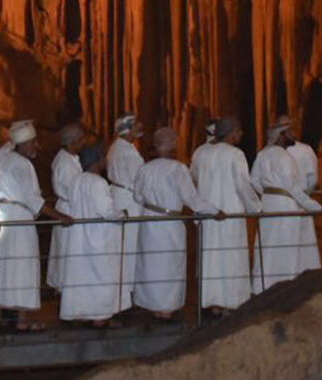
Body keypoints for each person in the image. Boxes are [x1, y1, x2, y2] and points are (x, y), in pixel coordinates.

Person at [133, 127, 218, 319]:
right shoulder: (178, 169)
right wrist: (215, 211)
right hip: (170, 223)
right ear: (173, 145)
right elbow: (192, 199)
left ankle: (151, 305)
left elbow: (137, 196)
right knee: (169, 265)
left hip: (148, 222)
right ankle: (166, 310)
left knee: (150, 264)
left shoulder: (145, 168)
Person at [0, 121, 69, 330]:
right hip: (19, 221)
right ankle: (21, 321)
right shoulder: (21, 164)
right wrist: (59, 216)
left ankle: (4, 317)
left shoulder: (3, 158)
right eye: (34, 142)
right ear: (24, 144)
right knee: (23, 268)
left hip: (4, 218)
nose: (36, 146)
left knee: (7, 268)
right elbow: (33, 199)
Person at [190, 116, 259, 313]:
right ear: (230, 133)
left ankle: (213, 303)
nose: (241, 134)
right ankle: (233, 302)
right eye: (238, 130)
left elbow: (194, 176)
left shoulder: (202, 154)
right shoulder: (235, 154)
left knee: (212, 259)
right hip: (230, 215)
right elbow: (243, 185)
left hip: (209, 215)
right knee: (231, 258)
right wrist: (256, 208)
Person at [251, 118, 322, 292]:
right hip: (286, 206)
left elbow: (253, 180)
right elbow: (294, 188)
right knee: (285, 248)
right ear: (282, 135)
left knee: (267, 247)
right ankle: (283, 288)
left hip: (268, 204)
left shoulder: (262, 154)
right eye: (290, 132)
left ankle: (262, 287)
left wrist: (269, 194)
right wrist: (315, 207)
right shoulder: (284, 156)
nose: (293, 135)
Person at [59, 145, 126, 326]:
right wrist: (122, 214)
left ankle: (82, 313)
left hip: (80, 237)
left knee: (83, 277)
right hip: (98, 238)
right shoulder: (98, 182)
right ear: (98, 161)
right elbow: (106, 210)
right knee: (101, 276)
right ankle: (100, 317)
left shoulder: (76, 180)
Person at [105, 115, 146, 313]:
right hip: (128, 198)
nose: (140, 126)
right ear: (127, 129)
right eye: (136, 124)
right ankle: (125, 296)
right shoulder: (126, 152)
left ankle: (125, 293)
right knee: (128, 247)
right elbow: (139, 178)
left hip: (122, 195)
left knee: (125, 246)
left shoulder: (119, 147)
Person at [46, 123, 86, 292]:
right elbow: (73, 189)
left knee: (69, 252)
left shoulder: (70, 159)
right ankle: (65, 292)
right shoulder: (64, 163)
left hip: (71, 206)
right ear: (72, 143)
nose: (83, 143)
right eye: (80, 140)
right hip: (68, 208)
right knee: (66, 252)